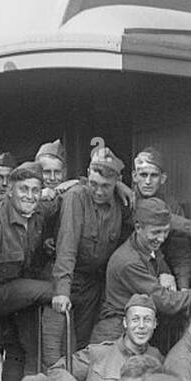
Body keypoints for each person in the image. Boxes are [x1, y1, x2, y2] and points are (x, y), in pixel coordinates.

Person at [0, 162, 60, 381]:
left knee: (17, 353)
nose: (30, 196)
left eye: (35, 190)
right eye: (23, 189)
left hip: (18, 301)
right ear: (10, 191)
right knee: (53, 291)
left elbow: (63, 196)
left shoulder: (38, 213)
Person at [90, 197, 191, 345]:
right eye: (156, 232)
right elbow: (166, 302)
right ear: (138, 228)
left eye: (165, 231)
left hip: (132, 331)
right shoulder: (129, 261)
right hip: (115, 337)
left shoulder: (145, 247)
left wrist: (165, 272)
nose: (161, 238)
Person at [52, 147, 128, 348]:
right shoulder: (76, 197)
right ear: (87, 174)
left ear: (118, 181)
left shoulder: (122, 201)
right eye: (94, 184)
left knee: (83, 345)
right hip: (67, 280)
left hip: (93, 286)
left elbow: (150, 223)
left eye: (106, 186)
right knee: (60, 346)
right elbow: (67, 247)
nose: (99, 191)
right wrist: (62, 291)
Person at [129, 147, 191, 290]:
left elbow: (180, 251)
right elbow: (164, 219)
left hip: (155, 270)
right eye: (143, 175)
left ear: (163, 178)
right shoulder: (126, 199)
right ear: (134, 176)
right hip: (129, 271)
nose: (148, 181)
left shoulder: (171, 204)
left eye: (154, 176)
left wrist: (184, 288)